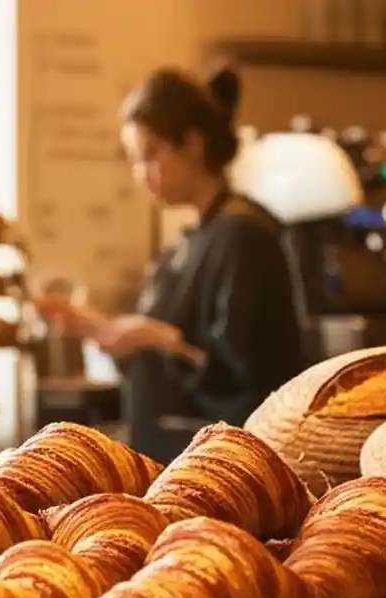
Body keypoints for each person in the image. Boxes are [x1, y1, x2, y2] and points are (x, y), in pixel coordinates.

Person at [37, 66, 306, 463]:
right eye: (134, 161)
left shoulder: (244, 236)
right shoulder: (191, 238)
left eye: (149, 155)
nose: (140, 174)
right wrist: (100, 328)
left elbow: (253, 378)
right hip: (169, 452)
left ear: (193, 144)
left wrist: (155, 336)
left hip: (224, 464)